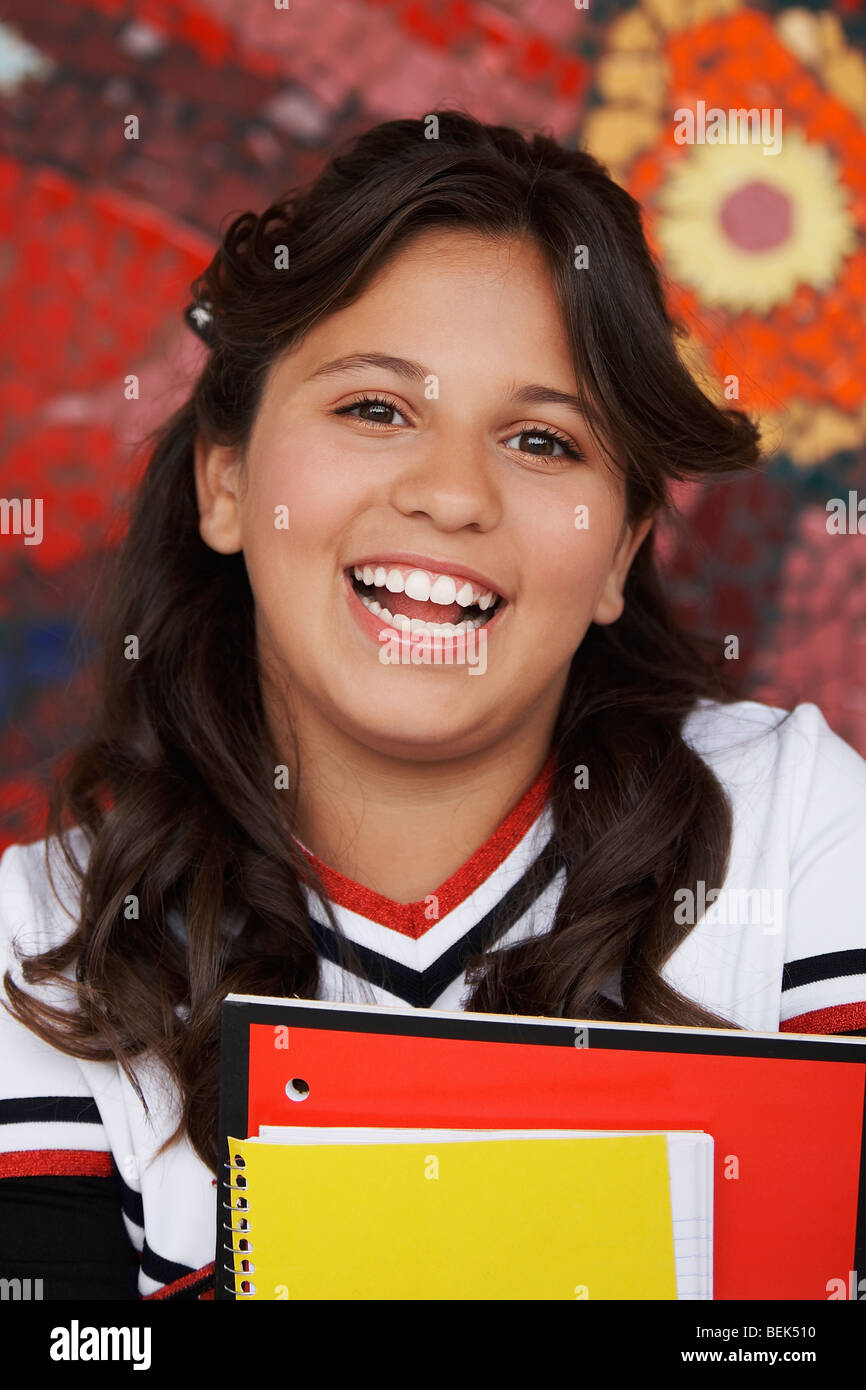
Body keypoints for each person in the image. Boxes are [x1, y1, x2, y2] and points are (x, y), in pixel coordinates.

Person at [2, 109, 865, 1301]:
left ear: (619, 550)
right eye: (374, 408)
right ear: (226, 479)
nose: (451, 495)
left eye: (539, 439)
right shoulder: (39, 939)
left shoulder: (797, 825)